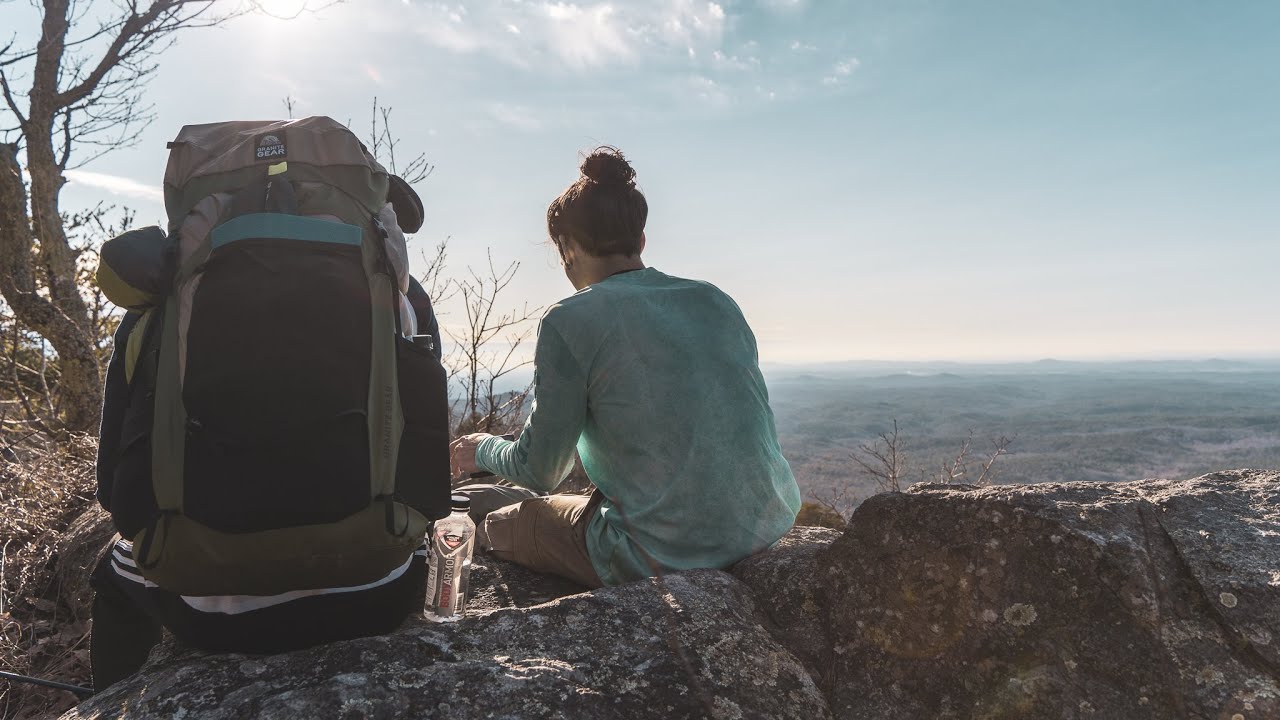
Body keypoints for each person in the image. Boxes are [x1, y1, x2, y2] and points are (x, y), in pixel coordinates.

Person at [450, 146, 800, 588]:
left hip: (659, 552)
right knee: (570, 501)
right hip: (765, 525)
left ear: (568, 247)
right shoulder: (715, 299)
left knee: (502, 524)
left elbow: (541, 470)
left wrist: (479, 447)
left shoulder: (569, 319)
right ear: (641, 241)